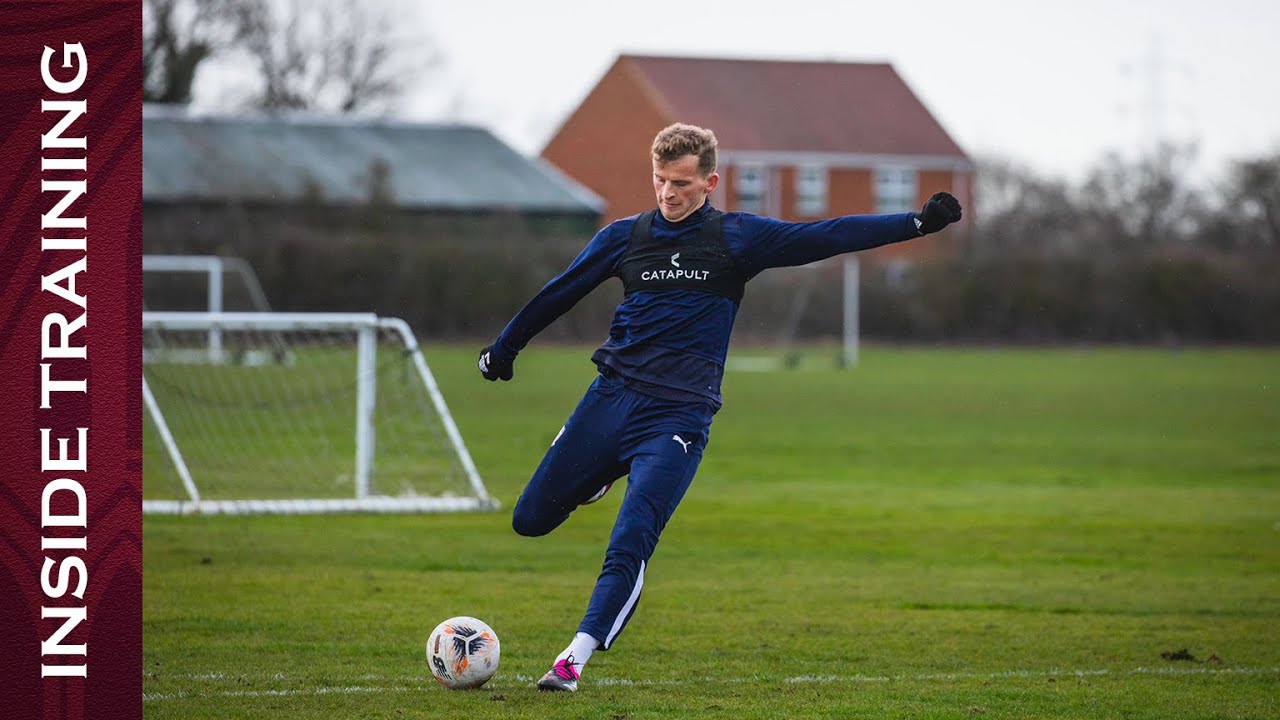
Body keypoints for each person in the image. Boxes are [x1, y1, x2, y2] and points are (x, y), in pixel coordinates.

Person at [477, 123, 962, 692]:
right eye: (659, 180)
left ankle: (573, 658)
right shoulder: (623, 238)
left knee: (633, 536)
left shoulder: (737, 238)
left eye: (681, 183)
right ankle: (595, 478)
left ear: (709, 181)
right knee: (529, 520)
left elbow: (827, 234)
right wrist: (504, 350)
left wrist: (917, 223)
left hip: (679, 417)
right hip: (609, 399)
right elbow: (559, 291)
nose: (668, 193)